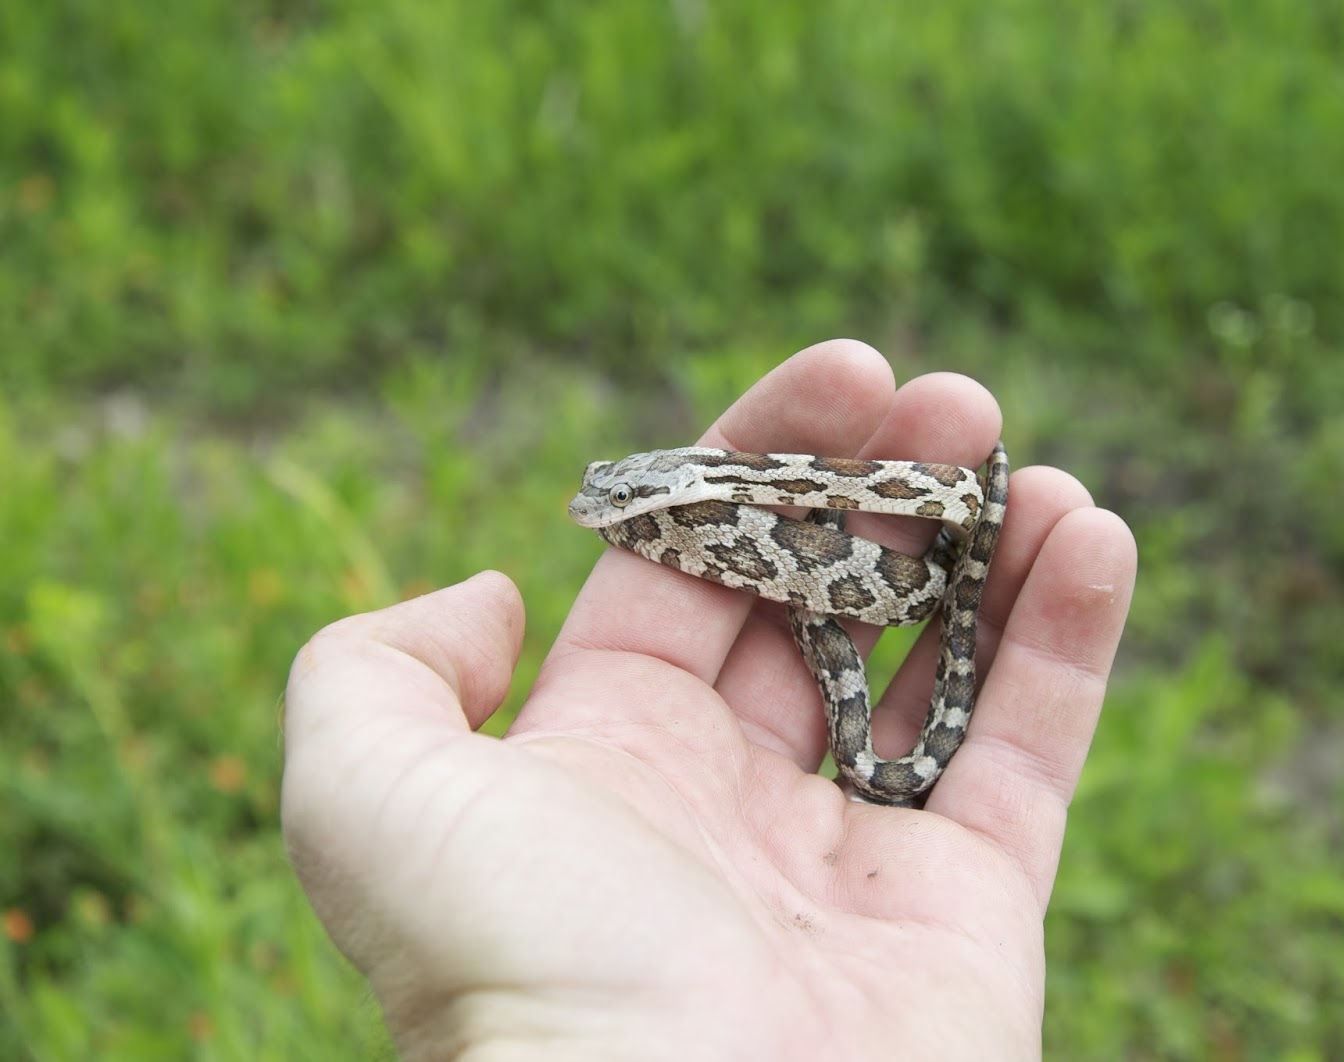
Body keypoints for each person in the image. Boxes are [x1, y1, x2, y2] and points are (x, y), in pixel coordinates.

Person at [281, 340, 1137, 1059]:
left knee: (940, 582)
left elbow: (924, 566)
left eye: (618, 499)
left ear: (679, 484)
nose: (593, 509)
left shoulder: (761, 492)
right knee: (892, 645)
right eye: (609, 494)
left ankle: (916, 642)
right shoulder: (700, 505)